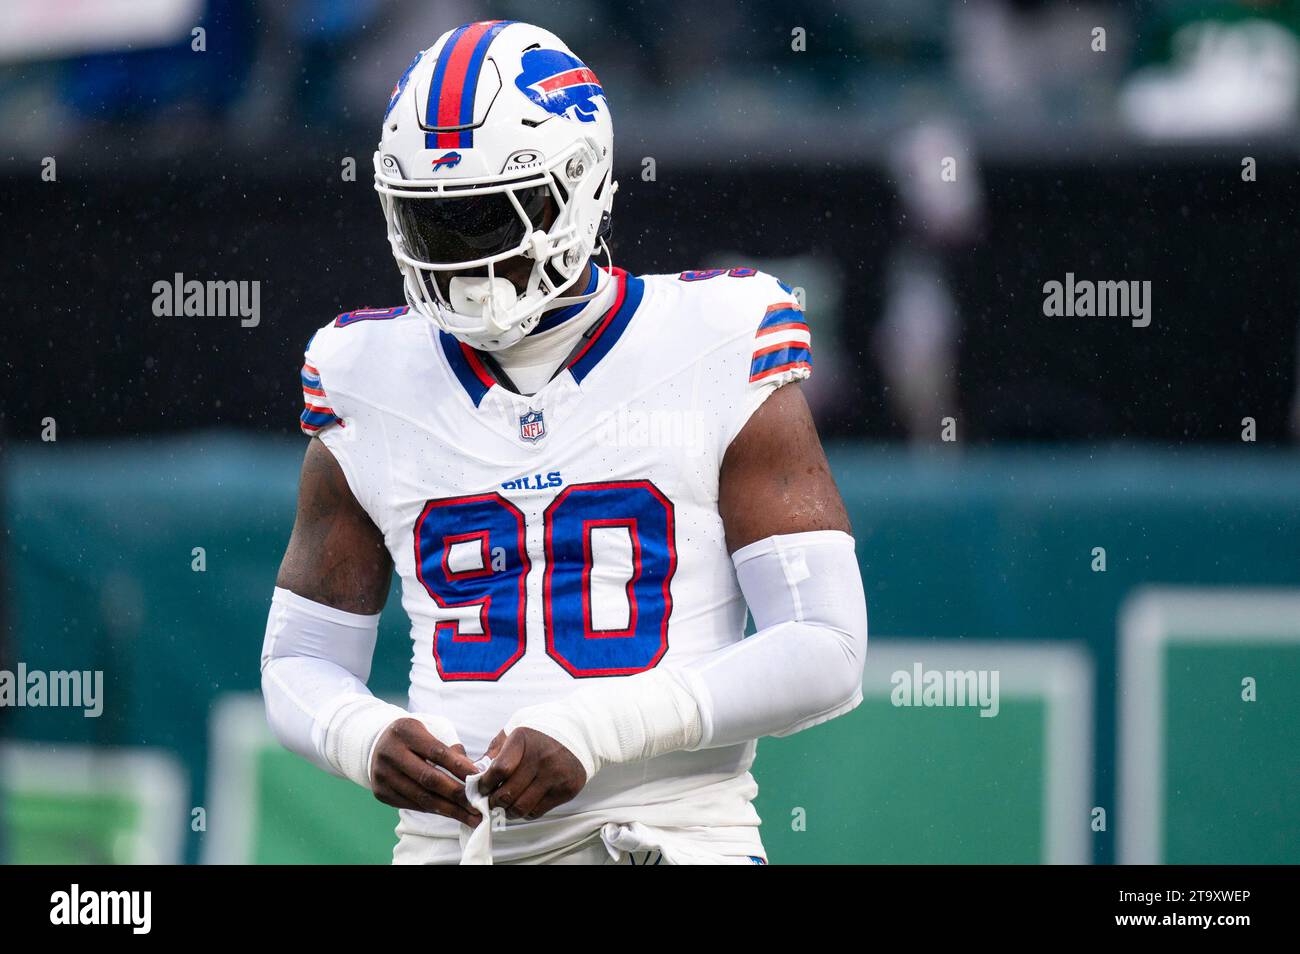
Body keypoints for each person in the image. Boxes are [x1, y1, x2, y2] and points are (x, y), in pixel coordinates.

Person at [260, 19, 868, 865]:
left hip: (672, 838)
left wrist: (597, 728)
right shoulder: (366, 372)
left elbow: (825, 648)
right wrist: (361, 732)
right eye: (434, 224)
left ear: (576, 187)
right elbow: (299, 659)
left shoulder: (717, 336)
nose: (460, 257)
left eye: (486, 219)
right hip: (457, 850)